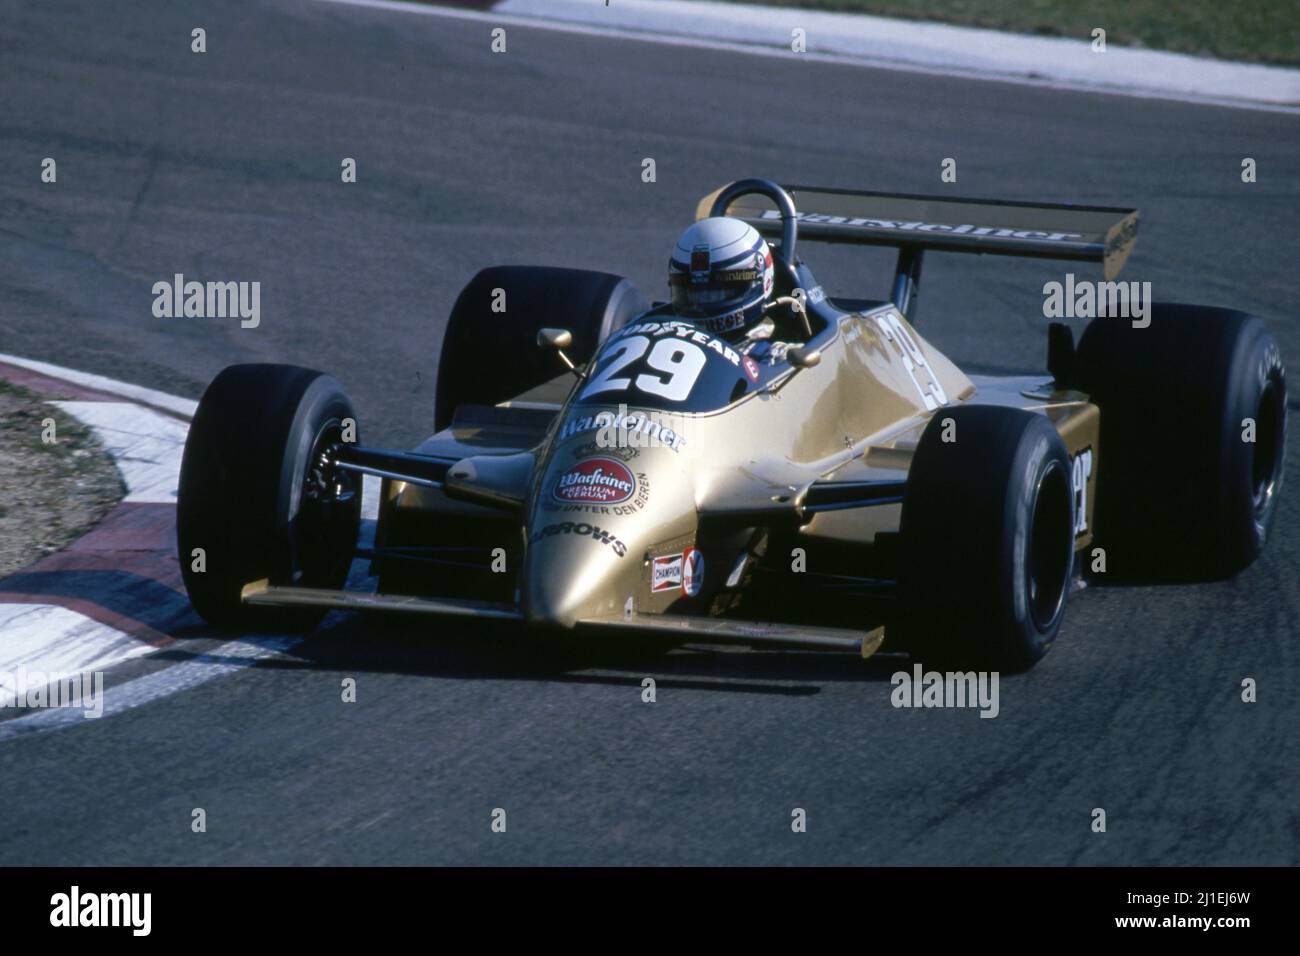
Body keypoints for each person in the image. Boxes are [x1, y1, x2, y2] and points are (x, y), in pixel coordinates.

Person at [667, 217, 805, 366]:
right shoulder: (667, 338)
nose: (702, 304)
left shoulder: (773, 355)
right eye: (693, 292)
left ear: (762, 281)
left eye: (719, 291)